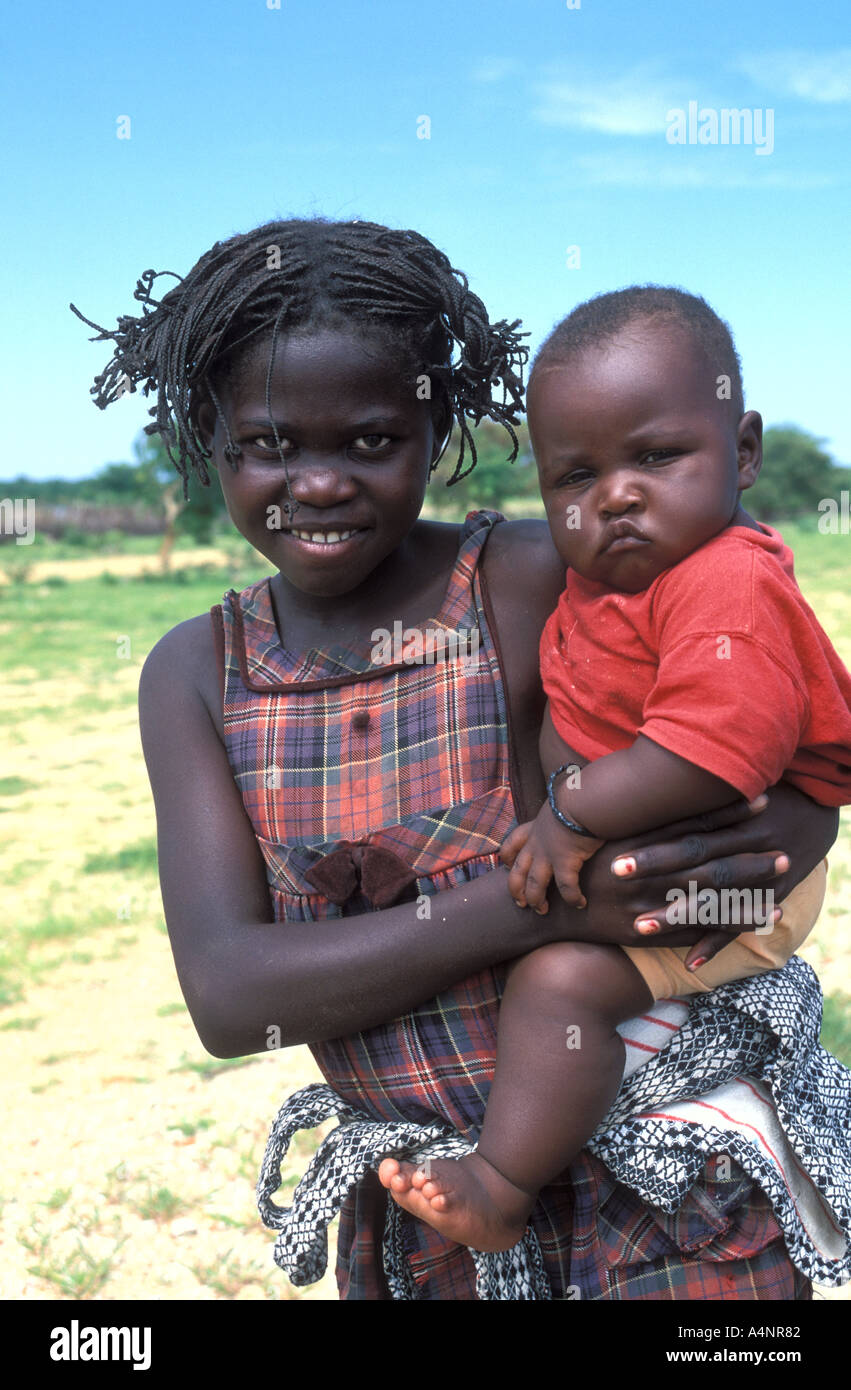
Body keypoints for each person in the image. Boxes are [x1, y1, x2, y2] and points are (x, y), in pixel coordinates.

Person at [72, 222, 839, 1299]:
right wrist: (549, 909)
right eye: (269, 445)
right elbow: (230, 994)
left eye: (373, 441)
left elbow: (761, 745)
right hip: (428, 1216)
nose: (321, 483)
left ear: (437, 429)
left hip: (670, 1193)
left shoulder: (535, 578)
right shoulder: (198, 673)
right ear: (208, 438)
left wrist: (789, 831)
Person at [378, 288, 851, 1254]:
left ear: (744, 452)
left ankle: (501, 1186)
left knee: (560, 986)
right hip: (663, 839)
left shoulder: (726, 579)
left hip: (742, 870)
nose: (615, 496)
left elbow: (715, 751)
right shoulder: (602, 583)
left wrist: (571, 814)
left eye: (656, 457)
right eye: (574, 477)